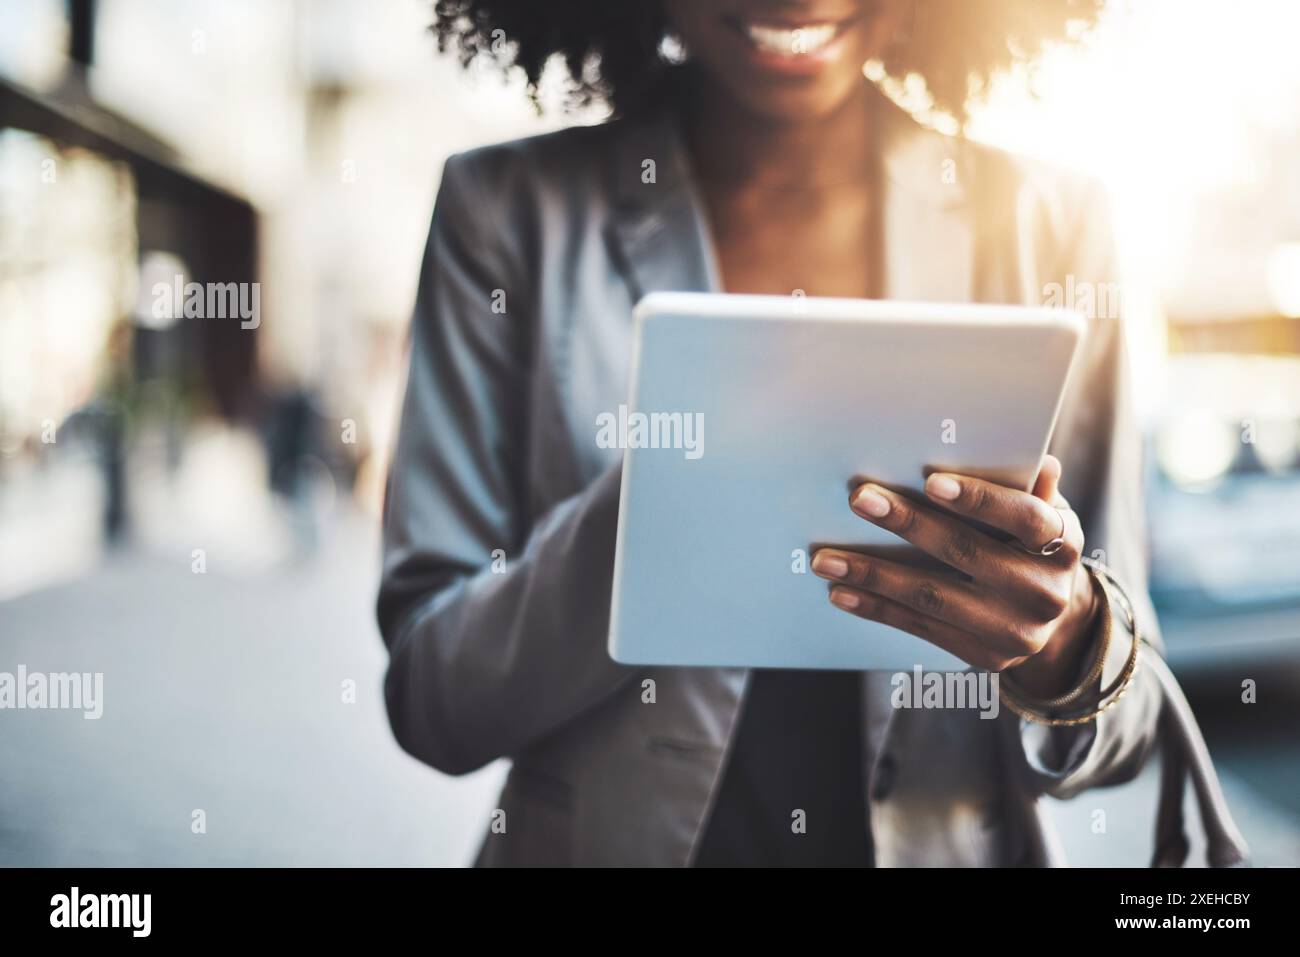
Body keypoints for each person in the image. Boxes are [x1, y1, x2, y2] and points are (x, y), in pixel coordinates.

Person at [377, 0, 1164, 867]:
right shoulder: (505, 212)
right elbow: (430, 697)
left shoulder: (1052, 228)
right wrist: (646, 518)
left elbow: (1137, 718)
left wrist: (1063, 640)